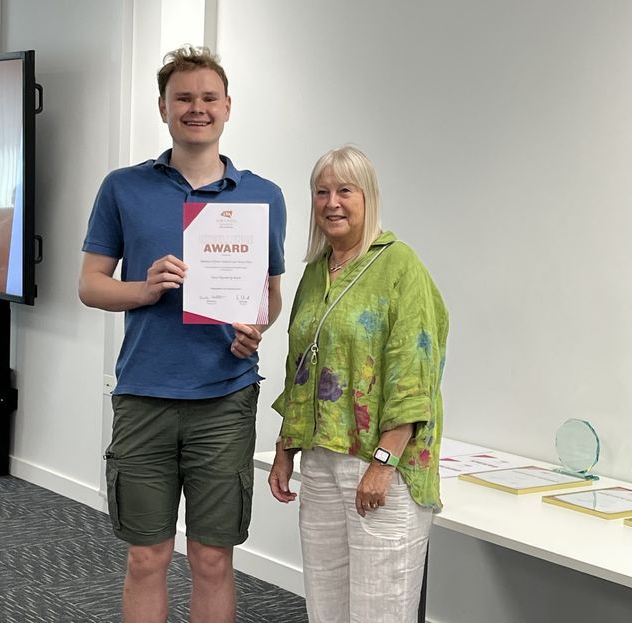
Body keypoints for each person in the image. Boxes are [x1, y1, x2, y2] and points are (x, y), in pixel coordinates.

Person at [79, 46, 286, 623]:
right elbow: (91, 286)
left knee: (212, 559)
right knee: (146, 557)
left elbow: (269, 294)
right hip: (144, 393)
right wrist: (143, 290)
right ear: (163, 108)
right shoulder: (123, 188)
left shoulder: (264, 195)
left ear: (228, 107)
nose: (197, 108)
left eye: (208, 98)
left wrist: (255, 330)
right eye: (184, 98)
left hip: (224, 398)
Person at [268, 145, 448, 622]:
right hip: (321, 459)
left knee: (379, 609)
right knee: (325, 604)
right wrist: (286, 448)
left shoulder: (399, 266)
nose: (332, 203)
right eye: (321, 192)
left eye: (344, 191)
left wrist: (383, 463)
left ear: (367, 197)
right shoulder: (315, 272)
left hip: (379, 461)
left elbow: (414, 372)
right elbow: (300, 367)